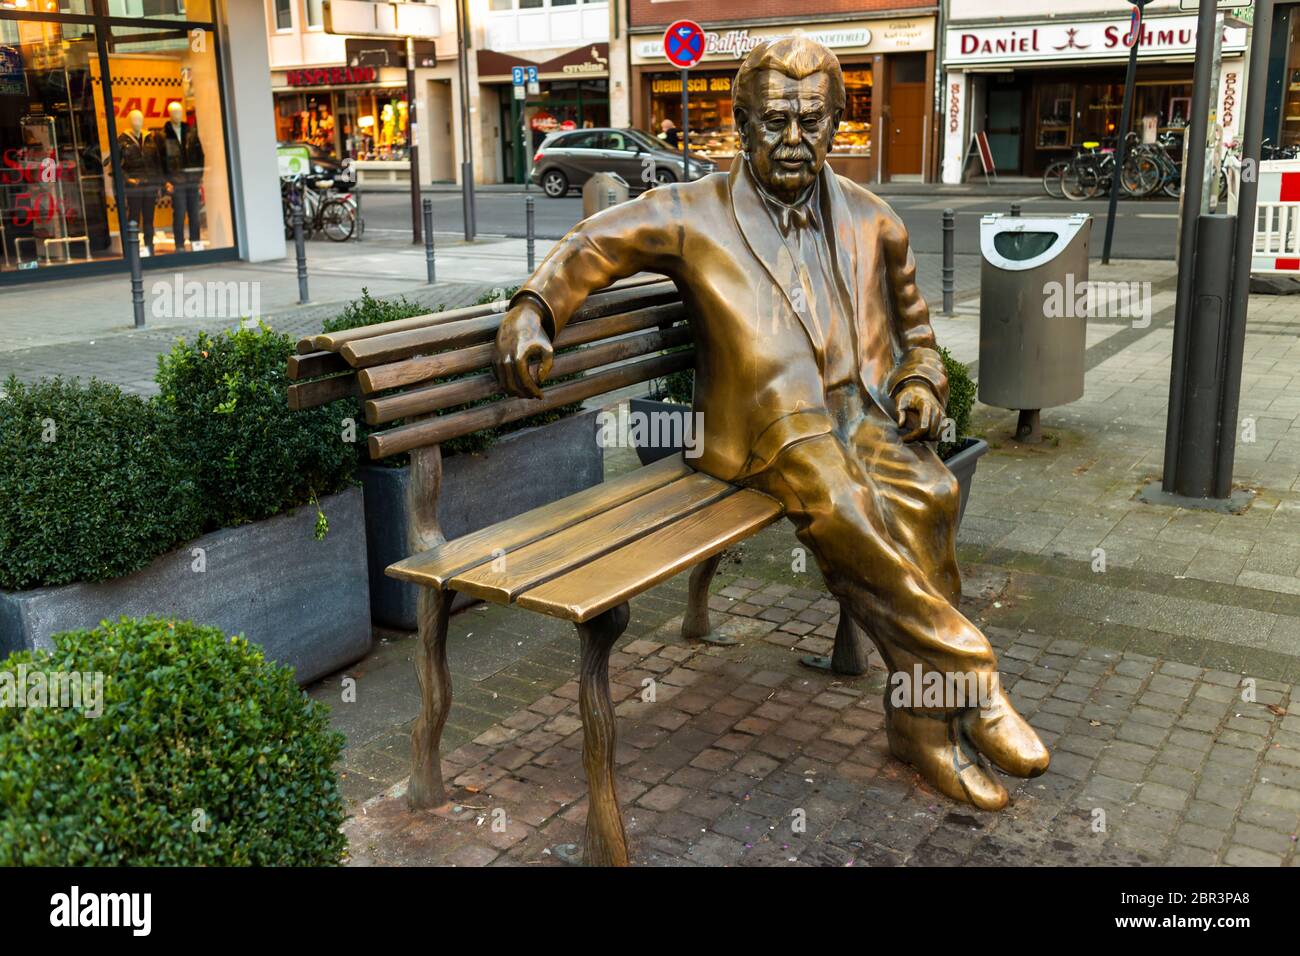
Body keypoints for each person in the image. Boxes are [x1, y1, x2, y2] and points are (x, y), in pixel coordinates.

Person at [494, 36, 1050, 811]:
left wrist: (922, 381)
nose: (794, 142)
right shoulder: (692, 212)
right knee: (841, 502)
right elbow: (593, 244)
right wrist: (533, 309)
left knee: (928, 503)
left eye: (813, 124)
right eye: (773, 124)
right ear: (740, 125)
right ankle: (973, 680)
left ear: (836, 126)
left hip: (859, 416)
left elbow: (919, 338)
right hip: (760, 431)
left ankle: (921, 729)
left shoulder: (874, 220)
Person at [157, 101, 205, 251]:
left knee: (194, 213)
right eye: (174, 112)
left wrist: (199, 176)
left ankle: (196, 241)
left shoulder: (190, 132)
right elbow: (160, 161)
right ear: (169, 114)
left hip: (191, 180)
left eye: (179, 112)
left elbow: (199, 155)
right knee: (179, 213)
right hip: (176, 181)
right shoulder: (163, 135)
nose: (177, 115)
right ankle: (179, 244)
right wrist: (166, 182)